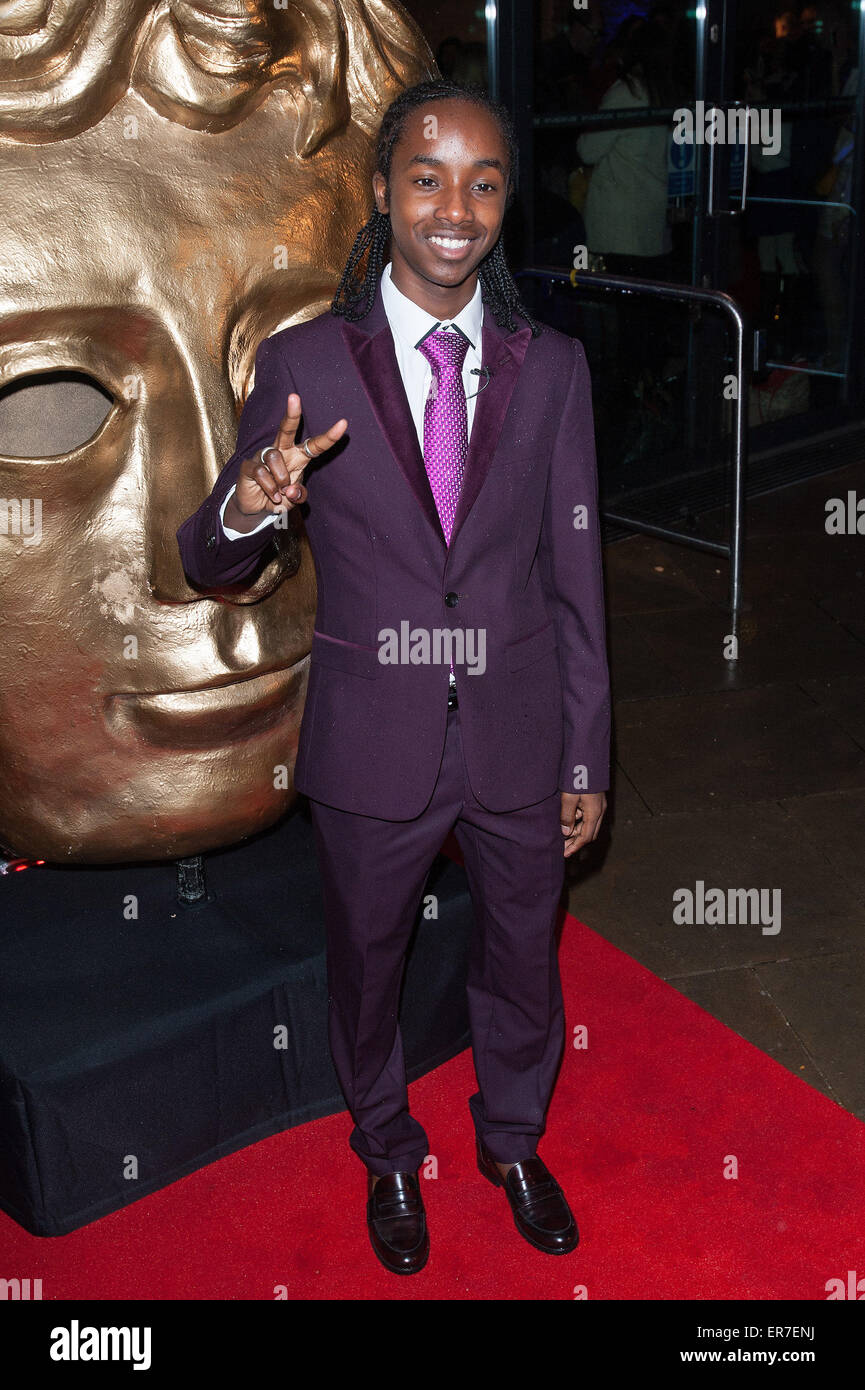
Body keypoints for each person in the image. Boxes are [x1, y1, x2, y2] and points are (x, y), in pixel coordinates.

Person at [177, 78, 610, 1276]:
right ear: (382, 192)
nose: (454, 206)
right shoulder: (307, 360)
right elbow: (206, 556)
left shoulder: (554, 367)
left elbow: (576, 577)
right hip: (375, 738)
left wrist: (588, 752)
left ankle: (512, 1139)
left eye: (482, 180)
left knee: (524, 955)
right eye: (427, 177)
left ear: (507, 199)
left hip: (521, 732)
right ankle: (385, 1150)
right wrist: (251, 503)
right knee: (367, 966)